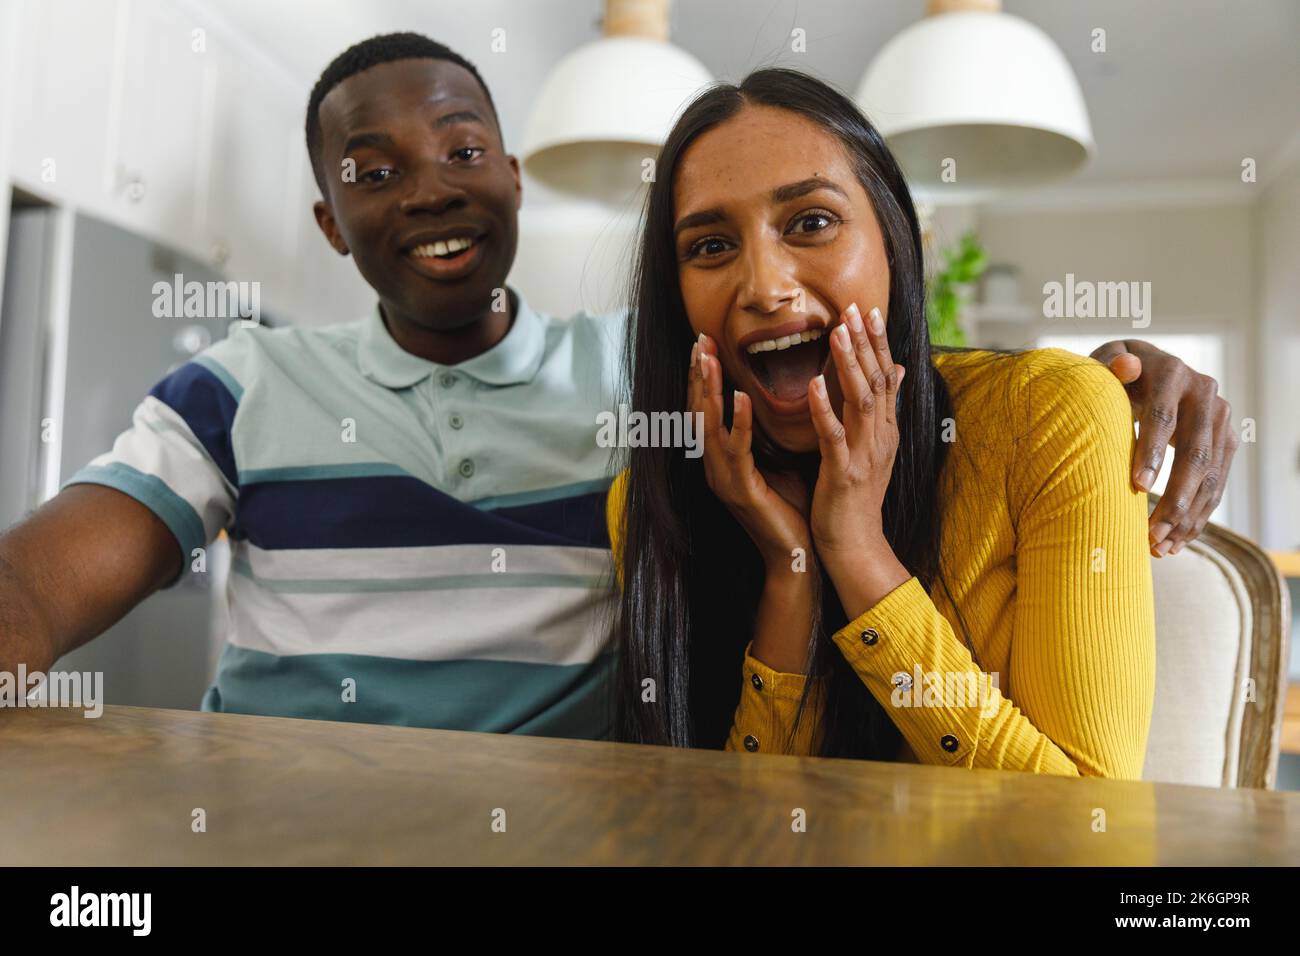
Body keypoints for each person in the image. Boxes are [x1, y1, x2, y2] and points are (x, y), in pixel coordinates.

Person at [0, 35, 1235, 741]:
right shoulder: (239, 384)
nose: (429, 189)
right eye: (375, 172)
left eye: (463, 151)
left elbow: (903, 368)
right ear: (330, 221)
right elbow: (32, 589)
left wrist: (1119, 375)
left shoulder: (663, 382)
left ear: (516, 179)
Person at [608, 68, 1193, 777]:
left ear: (895, 245)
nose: (764, 287)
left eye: (812, 223)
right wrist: (791, 576)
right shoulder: (652, 501)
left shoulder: (1050, 416)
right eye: (710, 246)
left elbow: (1085, 826)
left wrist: (856, 552)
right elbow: (739, 839)